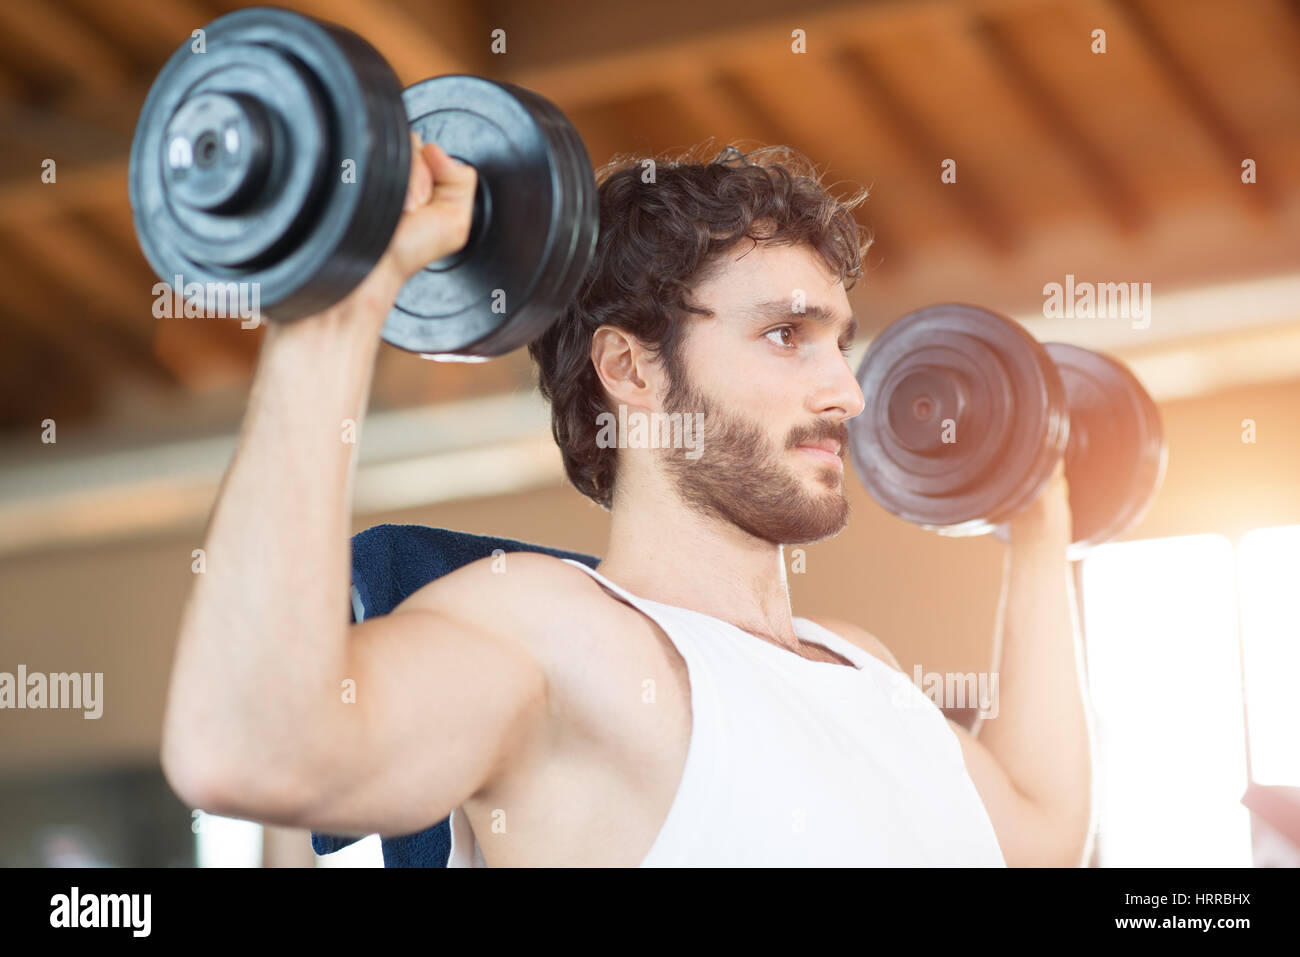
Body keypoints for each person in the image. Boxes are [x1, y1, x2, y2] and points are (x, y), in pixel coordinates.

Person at [161, 134, 1092, 867]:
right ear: (630, 368)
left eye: (837, 343)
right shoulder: (552, 633)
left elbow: (1044, 835)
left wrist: (1039, 513)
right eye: (784, 337)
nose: (846, 393)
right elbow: (247, 747)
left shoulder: (863, 666)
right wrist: (339, 302)